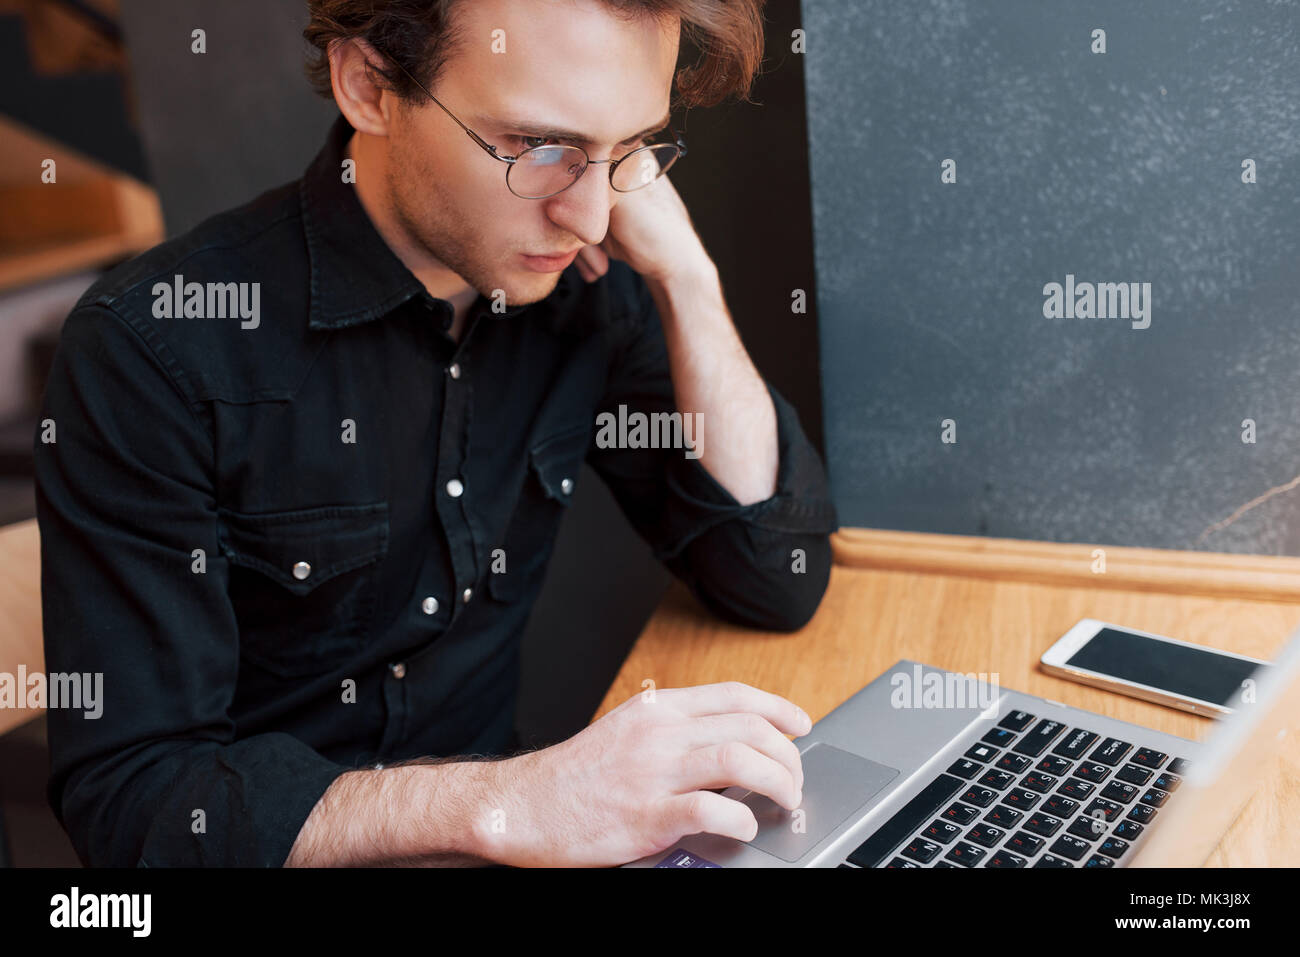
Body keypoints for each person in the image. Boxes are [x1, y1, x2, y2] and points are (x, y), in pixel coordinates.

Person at [35, 0, 838, 867]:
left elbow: (771, 575)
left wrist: (687, 276)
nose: (595, 217)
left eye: (631, 148)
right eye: (541, 148)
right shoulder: (152, 349)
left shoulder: (586, 283)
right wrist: (510, 800)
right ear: (370, 85)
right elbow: (138, 802)